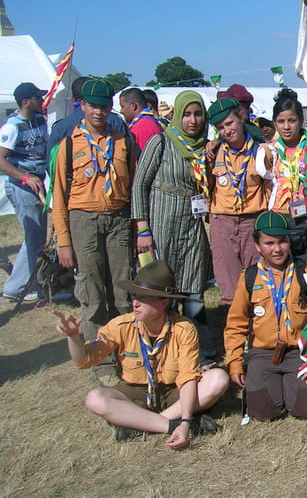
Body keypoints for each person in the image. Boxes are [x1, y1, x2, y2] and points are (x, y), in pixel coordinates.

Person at [52, 260, 229, 448]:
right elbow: (85, 360)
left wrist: (184, 419)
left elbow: (187, 378)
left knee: (218, 378)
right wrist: (73, 337)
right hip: (135, 392)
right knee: (95, 399)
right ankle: (171, 425)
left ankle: (141, 424)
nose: (135, 303)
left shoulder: (183, 329)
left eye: (144, 298)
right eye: (134, 296)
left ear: (165, 302)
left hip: (173, 392)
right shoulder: (121, 325)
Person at [51, 78, 135, 386]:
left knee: (124, 293)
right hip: (83, 221)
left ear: (110, 107)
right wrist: (63, 242)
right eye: (93, 106)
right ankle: (102, 360)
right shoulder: (69, 144)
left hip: (118, 219)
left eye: (104, 106)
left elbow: (134, 186)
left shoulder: (123, 142)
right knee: (93, 294)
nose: (98, 112)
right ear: (82, 106)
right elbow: (58, 196)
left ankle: (129, 352)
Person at [223, 211, 307, 421]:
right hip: (262, 353)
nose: (277, 249)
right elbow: (235, 325)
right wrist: (235, 362)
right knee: (264, 413)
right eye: (269, 243)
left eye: (282, 242)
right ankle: (277, 384)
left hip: (300, 350)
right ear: (257, 246)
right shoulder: (249, 278)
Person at [131, 90, 217, 368]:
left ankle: (203, 355)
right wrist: (142, 227)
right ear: (178, 115)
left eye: (198, 114)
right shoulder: (161, 142)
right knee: (162, 290)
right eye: (187, 114)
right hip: (161, 224)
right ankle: (161, 353)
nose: (193, 120)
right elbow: (140, 185)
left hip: (191, 227)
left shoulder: (205, 148)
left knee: (193, 291)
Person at [256, 88, 307, 264]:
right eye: (281, 121)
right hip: (278, 223)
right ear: (274, 123)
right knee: (282, 280)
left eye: (292, 120)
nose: (287, 126)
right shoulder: (270, 150)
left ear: (301, 121)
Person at [206, 97, 268, 305]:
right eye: (220, 128)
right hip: (223, 222)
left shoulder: (260, 151)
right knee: (229, 286)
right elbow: (209, 185)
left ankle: (260, 329)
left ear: (241, 118)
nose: (226, 131)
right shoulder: (214, 153)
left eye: (229, 123)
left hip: (252, 220)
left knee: (256, 281)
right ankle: (236, 332)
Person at [0, 82, 48, 302]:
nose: (42, 101)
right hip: (22, 186)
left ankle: (30, 282)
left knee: (37, 237)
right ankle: (15, 287)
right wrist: (25, 177)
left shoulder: (39, 121)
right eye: (38, 98)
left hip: (38, 183)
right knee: (34, 237)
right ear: (26, 101)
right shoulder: (13, 126)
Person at [118, 87, 163, 152]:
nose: (121, 111)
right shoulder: (149, 122)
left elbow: (142, 160)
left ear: (133, 105)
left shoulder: (142, 127)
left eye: (122, 106)